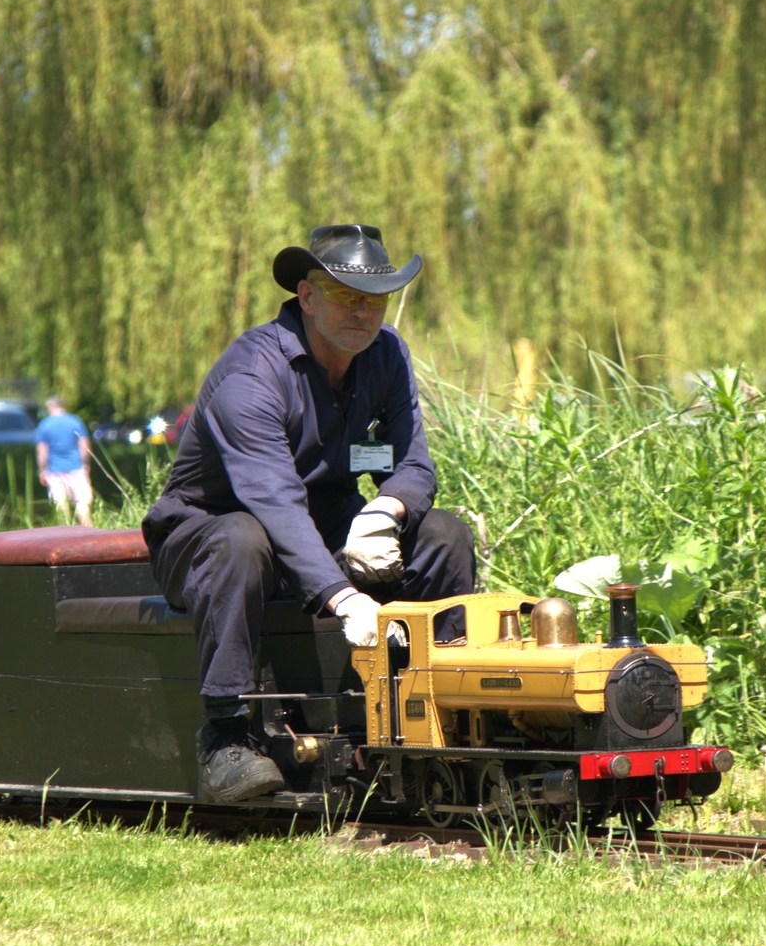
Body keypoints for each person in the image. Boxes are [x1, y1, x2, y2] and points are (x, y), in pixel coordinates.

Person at [142, 223, 476, 804]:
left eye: (376, 299)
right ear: (307, 296)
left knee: (445, 534)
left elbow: (414, 464)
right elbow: (271, 499)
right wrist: (342, 596)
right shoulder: (251, 376)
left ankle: (441, 714)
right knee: (243, 539)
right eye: (347, 296)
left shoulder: (386, 354)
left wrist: (385, 512)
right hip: (208, 536)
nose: (363, 312)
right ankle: (225, 738)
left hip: (321, 527)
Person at [35, 396, 93, 525]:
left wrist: (42, 470)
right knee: (82, 504)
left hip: (54, 471)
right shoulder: (76, 422)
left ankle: (64, 534)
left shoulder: (44, 425)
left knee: (60, 506)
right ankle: (88, 532)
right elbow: (84, 445)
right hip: (76, 467)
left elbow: (42, 451)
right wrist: (85, 464)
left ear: (50, 407)